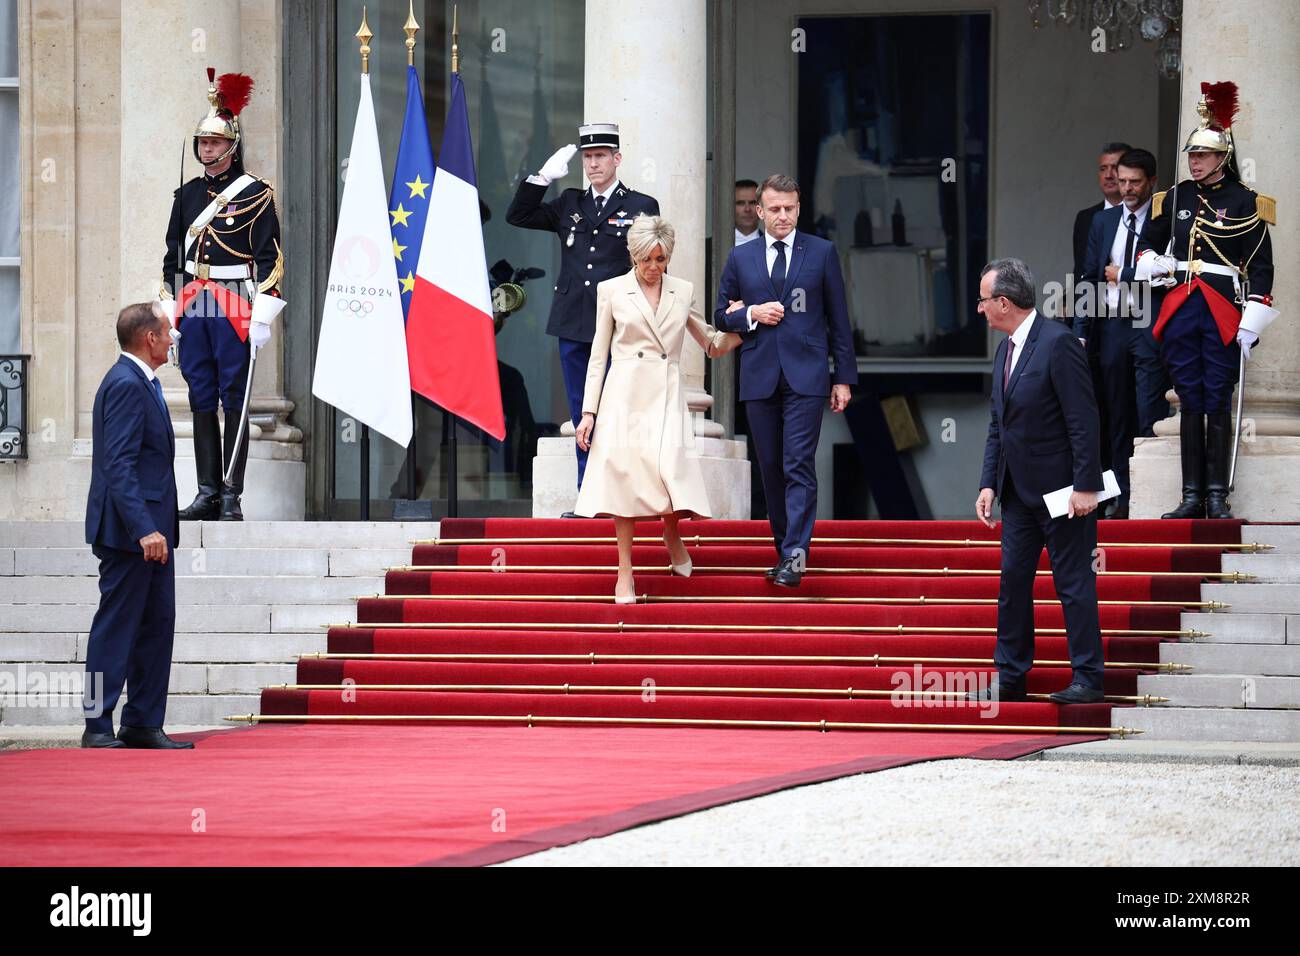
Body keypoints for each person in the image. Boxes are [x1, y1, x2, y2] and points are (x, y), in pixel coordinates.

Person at [574, 216, 741, 602]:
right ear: (633, 256)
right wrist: (588, 413)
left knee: (669, 470)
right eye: (646, 259)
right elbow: (598, 355)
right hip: (623, 395)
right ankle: (625, 572)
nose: (654, 267)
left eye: (661, 259)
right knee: (626, 483)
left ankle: (671, 531)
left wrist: (745, 323)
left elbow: (711, 343)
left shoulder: (682, 291)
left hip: (665, 394)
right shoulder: (611, 290)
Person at [1134, 81, 1276, 520]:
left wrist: (1251, 321)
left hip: (1220, 309)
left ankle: (1218, 495)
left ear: (1222, 158)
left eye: (1203, 156)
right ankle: (1192, 494)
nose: (1194, 163)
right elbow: (1143, 249)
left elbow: (1262, 267)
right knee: (1189, 398)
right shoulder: (1173, 197)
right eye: (1192, 156)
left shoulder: (1246, 202)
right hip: (1181, 305)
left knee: (1216, 396)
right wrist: (1156, 263)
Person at [712, 174, 857, 588]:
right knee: (771, 467)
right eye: (773, 209)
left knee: (798, 463)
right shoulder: (741, 258)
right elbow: (721, 314)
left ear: (799, 208)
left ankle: (796, 553)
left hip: (807, 376)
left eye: (789, 208)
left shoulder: (823, 252)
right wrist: (752, 314)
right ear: (759, 211)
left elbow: (839, 321)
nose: (782, 216)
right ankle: (784, 549)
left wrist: (842, 378)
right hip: (759, 375)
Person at [974, 258, 1106, 706]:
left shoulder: (1059, 343)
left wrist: (1086, 485)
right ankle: (1011, 676)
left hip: (1064, 494)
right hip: (1016, 493)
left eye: (983, 299)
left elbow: (1083, 420)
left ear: (1004, 303)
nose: (980, 308)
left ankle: (1088, 678)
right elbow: (999, 425)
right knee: (1013, 583)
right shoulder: (1005, 349)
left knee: (1073, 584)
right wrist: (988, 482)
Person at [507, 123, 659, 506]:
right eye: (588, 157)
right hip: (574, 322)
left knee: (619, 410)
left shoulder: (641, 206)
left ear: (616, 159)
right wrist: (541, 178)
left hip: (621, 324)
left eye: (600, 156)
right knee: (582, 412)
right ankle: (588, 495)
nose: (593, 164)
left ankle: (623, 495)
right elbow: (518, 216)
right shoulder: (570, 203)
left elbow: (654, 268)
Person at [160, 69, 285, 523]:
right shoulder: (187, 195)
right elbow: (173, 256)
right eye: (202, 143)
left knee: (235, 398)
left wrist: (264, 314)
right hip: (196, 300)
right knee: (200, 396)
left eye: (214, 143)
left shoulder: (256, 194)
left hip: (235, 298)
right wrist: (169, 313)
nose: (206, 150)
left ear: (231, 147)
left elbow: (271, 257)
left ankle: (232, 493)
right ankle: (207, 491)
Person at [81, 304, 193, 749]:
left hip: (155, 535)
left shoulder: (141, 382)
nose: (172, 339)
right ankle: (96, 725)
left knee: (155, 625)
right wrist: (144, 528)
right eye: (167, 332)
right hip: (132, 535)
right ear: (149, 338)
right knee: (114, 628)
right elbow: (119, 465)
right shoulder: (126, 384)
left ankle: (143, 722)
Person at [1075, 147, 1169, 518]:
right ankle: (1120, 497)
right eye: (1123, 181)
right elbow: (1089, 278)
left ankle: (1149, 494)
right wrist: (1081, 334)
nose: (1126, 188)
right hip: (1111, 325)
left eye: (1134, 182)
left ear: (1152, 183)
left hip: (1149, 322)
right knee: (1114, 414)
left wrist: (1128, 274)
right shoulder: (1103, 221)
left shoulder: (1164, 223)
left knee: (1148, 409)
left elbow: (1170, 273)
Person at [1071, 142, 1130, 280]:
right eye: (1103, 168)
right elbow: (1080, 270)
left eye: (1115, 168)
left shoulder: (1147, 213)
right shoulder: (1085, 218)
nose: (1108, 175)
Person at [734, 179, 762, 245]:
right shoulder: (706, 247)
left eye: (753, 203)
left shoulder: (776, 246)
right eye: (740, 203)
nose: (747, 209)